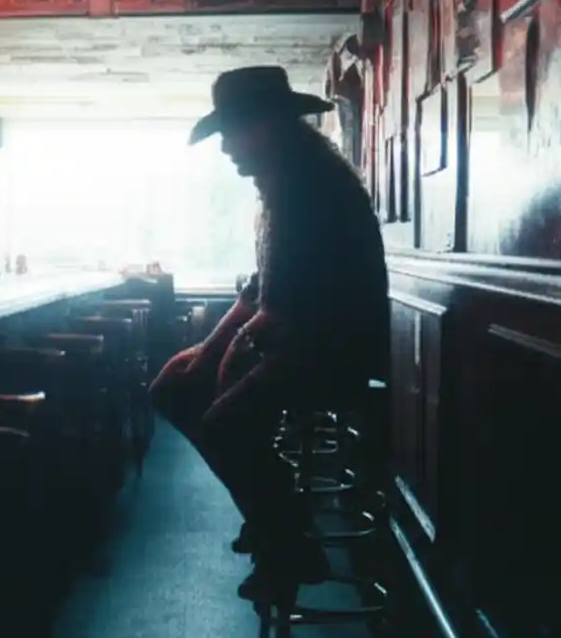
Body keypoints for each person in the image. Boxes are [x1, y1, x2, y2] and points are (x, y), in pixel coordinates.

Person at [151, 66, 389, 603]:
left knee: (222, 425)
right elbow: (260, 290)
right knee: (172, 386)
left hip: (336, 352)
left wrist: (231, 357)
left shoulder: (311, 189)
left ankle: (291, 544)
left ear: (271, 127)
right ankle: (272, 511)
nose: (226, 147)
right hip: (297, 341)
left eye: (234, 132)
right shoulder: (282, 183)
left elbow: (282, 311)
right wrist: (207, 351)